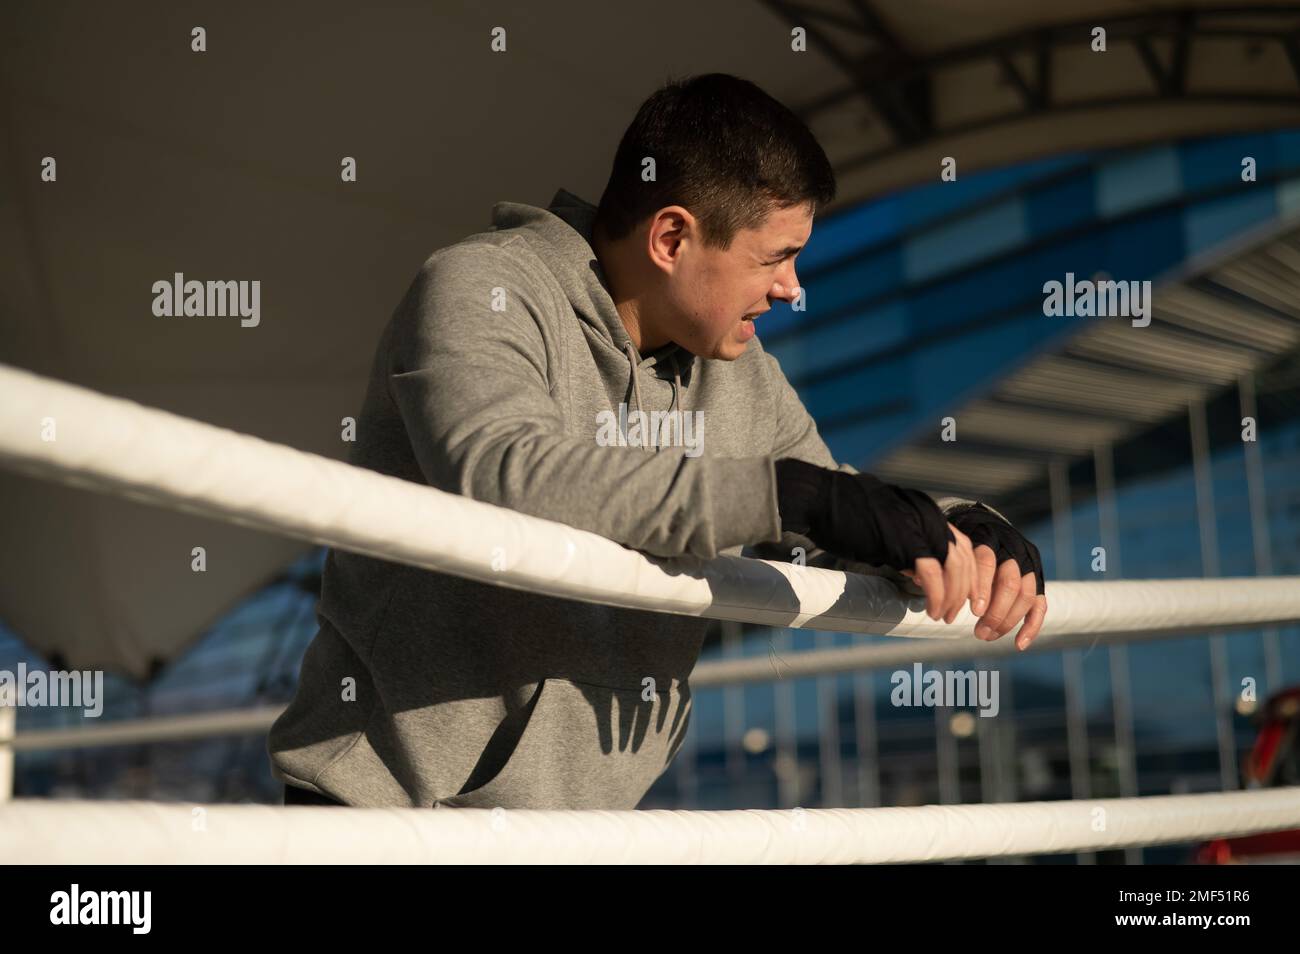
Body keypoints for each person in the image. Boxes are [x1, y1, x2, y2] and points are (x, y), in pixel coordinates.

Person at [269, 73, 1046, 810]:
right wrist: (793, 496)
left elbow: (832, 510)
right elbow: (504, 472)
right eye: (774, 257)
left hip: (577, 830)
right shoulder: (482, 289)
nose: (793, 288)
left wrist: (958, 528)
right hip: (384, 815)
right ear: (671, 237)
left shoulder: (743, 374)